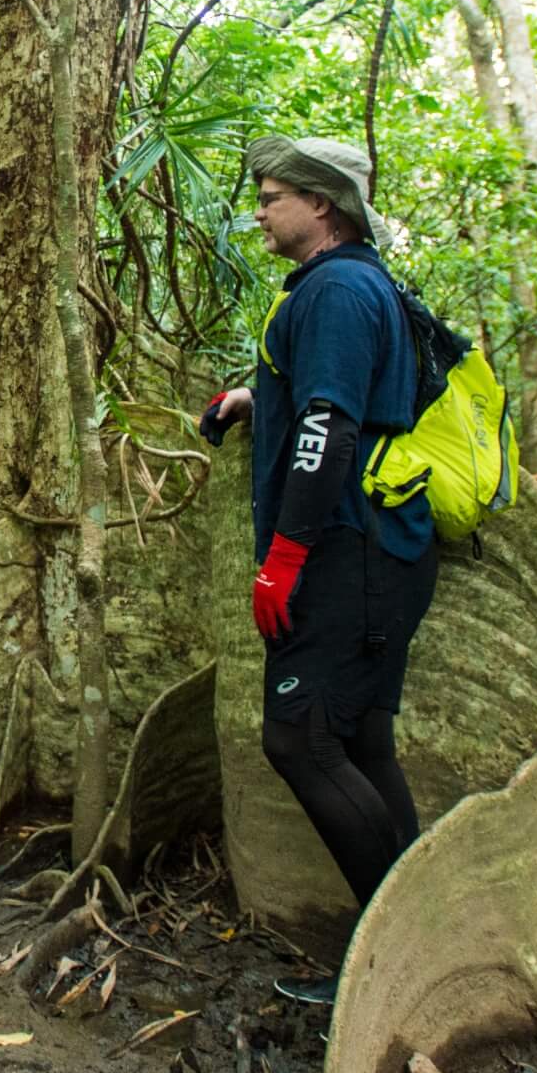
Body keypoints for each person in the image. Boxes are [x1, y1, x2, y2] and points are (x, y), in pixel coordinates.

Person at [200, 134, 438, 1005]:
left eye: (271, 197)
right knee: (361, 741)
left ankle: (395, 960)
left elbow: (332, 427)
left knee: (298, 739)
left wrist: (286, 558)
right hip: (380, 553)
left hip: (347, 553)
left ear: (321, 206)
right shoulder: (357, 285)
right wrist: (254, 400)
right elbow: (333, 400)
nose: (260, 212)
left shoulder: (338, 290)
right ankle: (414, 950)